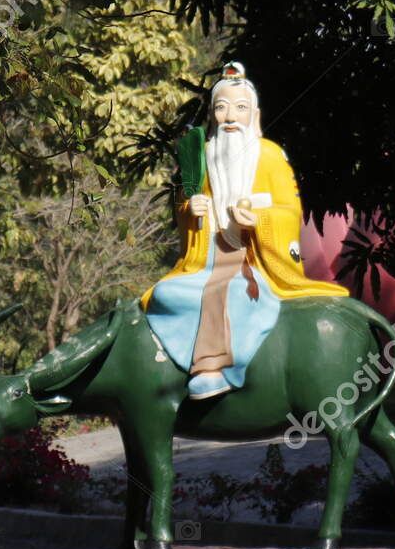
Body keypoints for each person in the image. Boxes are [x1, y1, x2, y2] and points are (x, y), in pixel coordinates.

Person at [144, 62, 347, 398]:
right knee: (166, 294)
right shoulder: (205, 157)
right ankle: (162, 368)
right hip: (208, 253)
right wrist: (189, 209)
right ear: (211, 116)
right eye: (221, 109)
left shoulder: (268, 156)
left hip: (253, 256)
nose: (230, 117)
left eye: (240, 108)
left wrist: (260, 219)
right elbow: (187, 201)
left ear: (255, 116)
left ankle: (213, 367)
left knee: (228, 292)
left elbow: (290, 208)